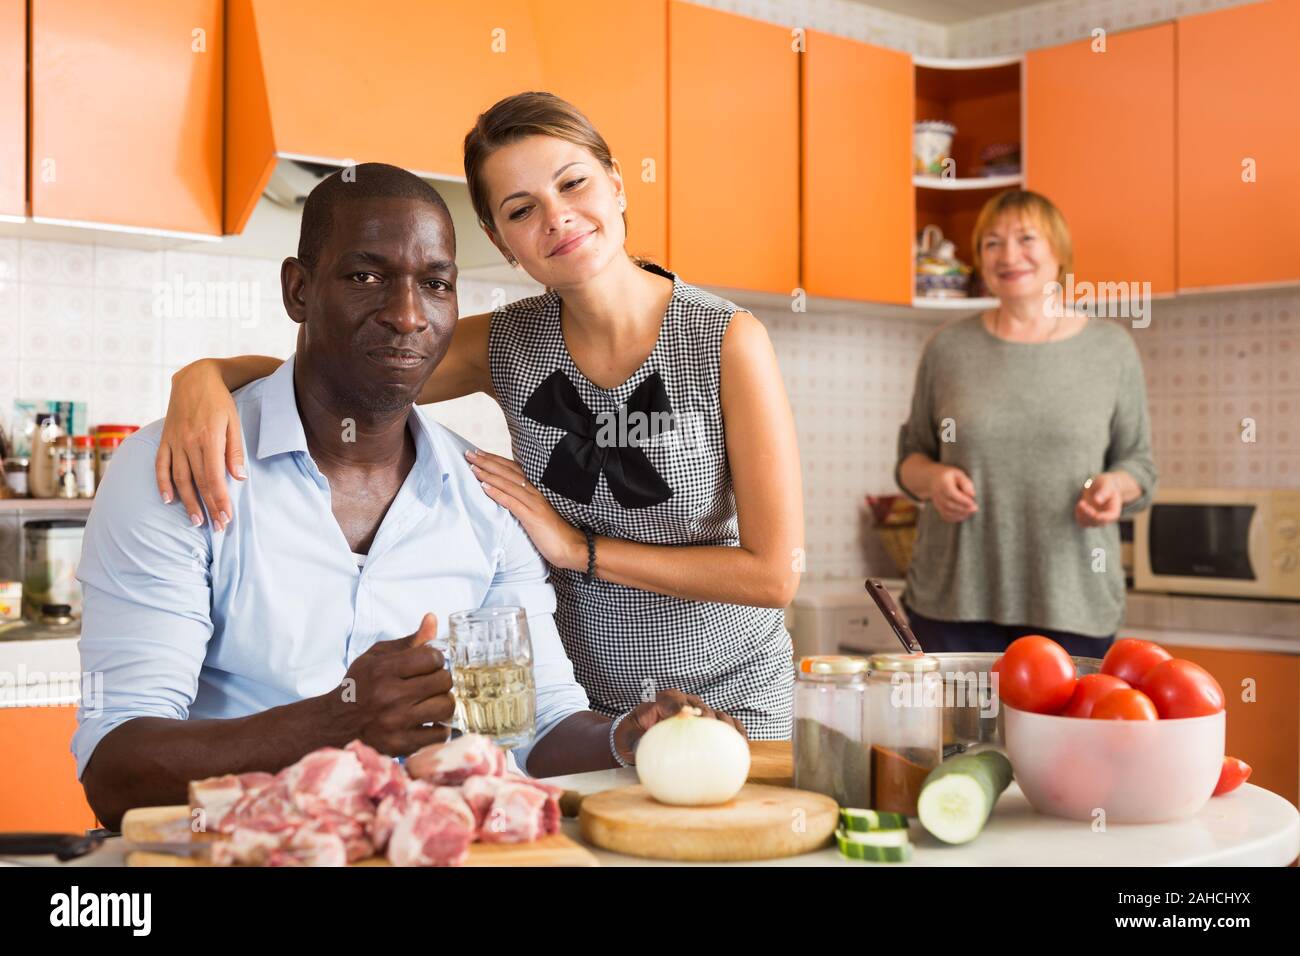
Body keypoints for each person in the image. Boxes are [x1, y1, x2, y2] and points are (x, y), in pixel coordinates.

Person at [73, 164, 744, 830]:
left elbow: (534, 730)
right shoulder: (180, 468)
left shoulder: (488, 498)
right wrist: (334, 721)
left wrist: (627, 738)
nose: (406, 314)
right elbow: (115, 772)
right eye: (367, 276)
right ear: (298, 290)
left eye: (436, 283)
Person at [151, 92, 803, 738]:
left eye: (573, 183)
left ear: (617, 184)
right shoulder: (508, 343)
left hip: (728, 703)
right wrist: (205, 376)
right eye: (522, 209)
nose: (558, 217)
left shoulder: (724, 340)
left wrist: (579, 551)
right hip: (574, 711)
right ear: (499, 239)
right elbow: (347, 373)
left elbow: (774, 574)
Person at [895, 189, 1157, 658]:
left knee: (1063, 734)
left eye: (1026, 238)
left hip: (1072, 602)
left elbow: (1138, 464)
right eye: (992, 243)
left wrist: (1113, 488)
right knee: (958, 735)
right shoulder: (947, 348)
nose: (1008, 255)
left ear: (1059, 251)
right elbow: (910, 459)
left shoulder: (1110, 350)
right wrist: (933, 478)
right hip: (954, 601)